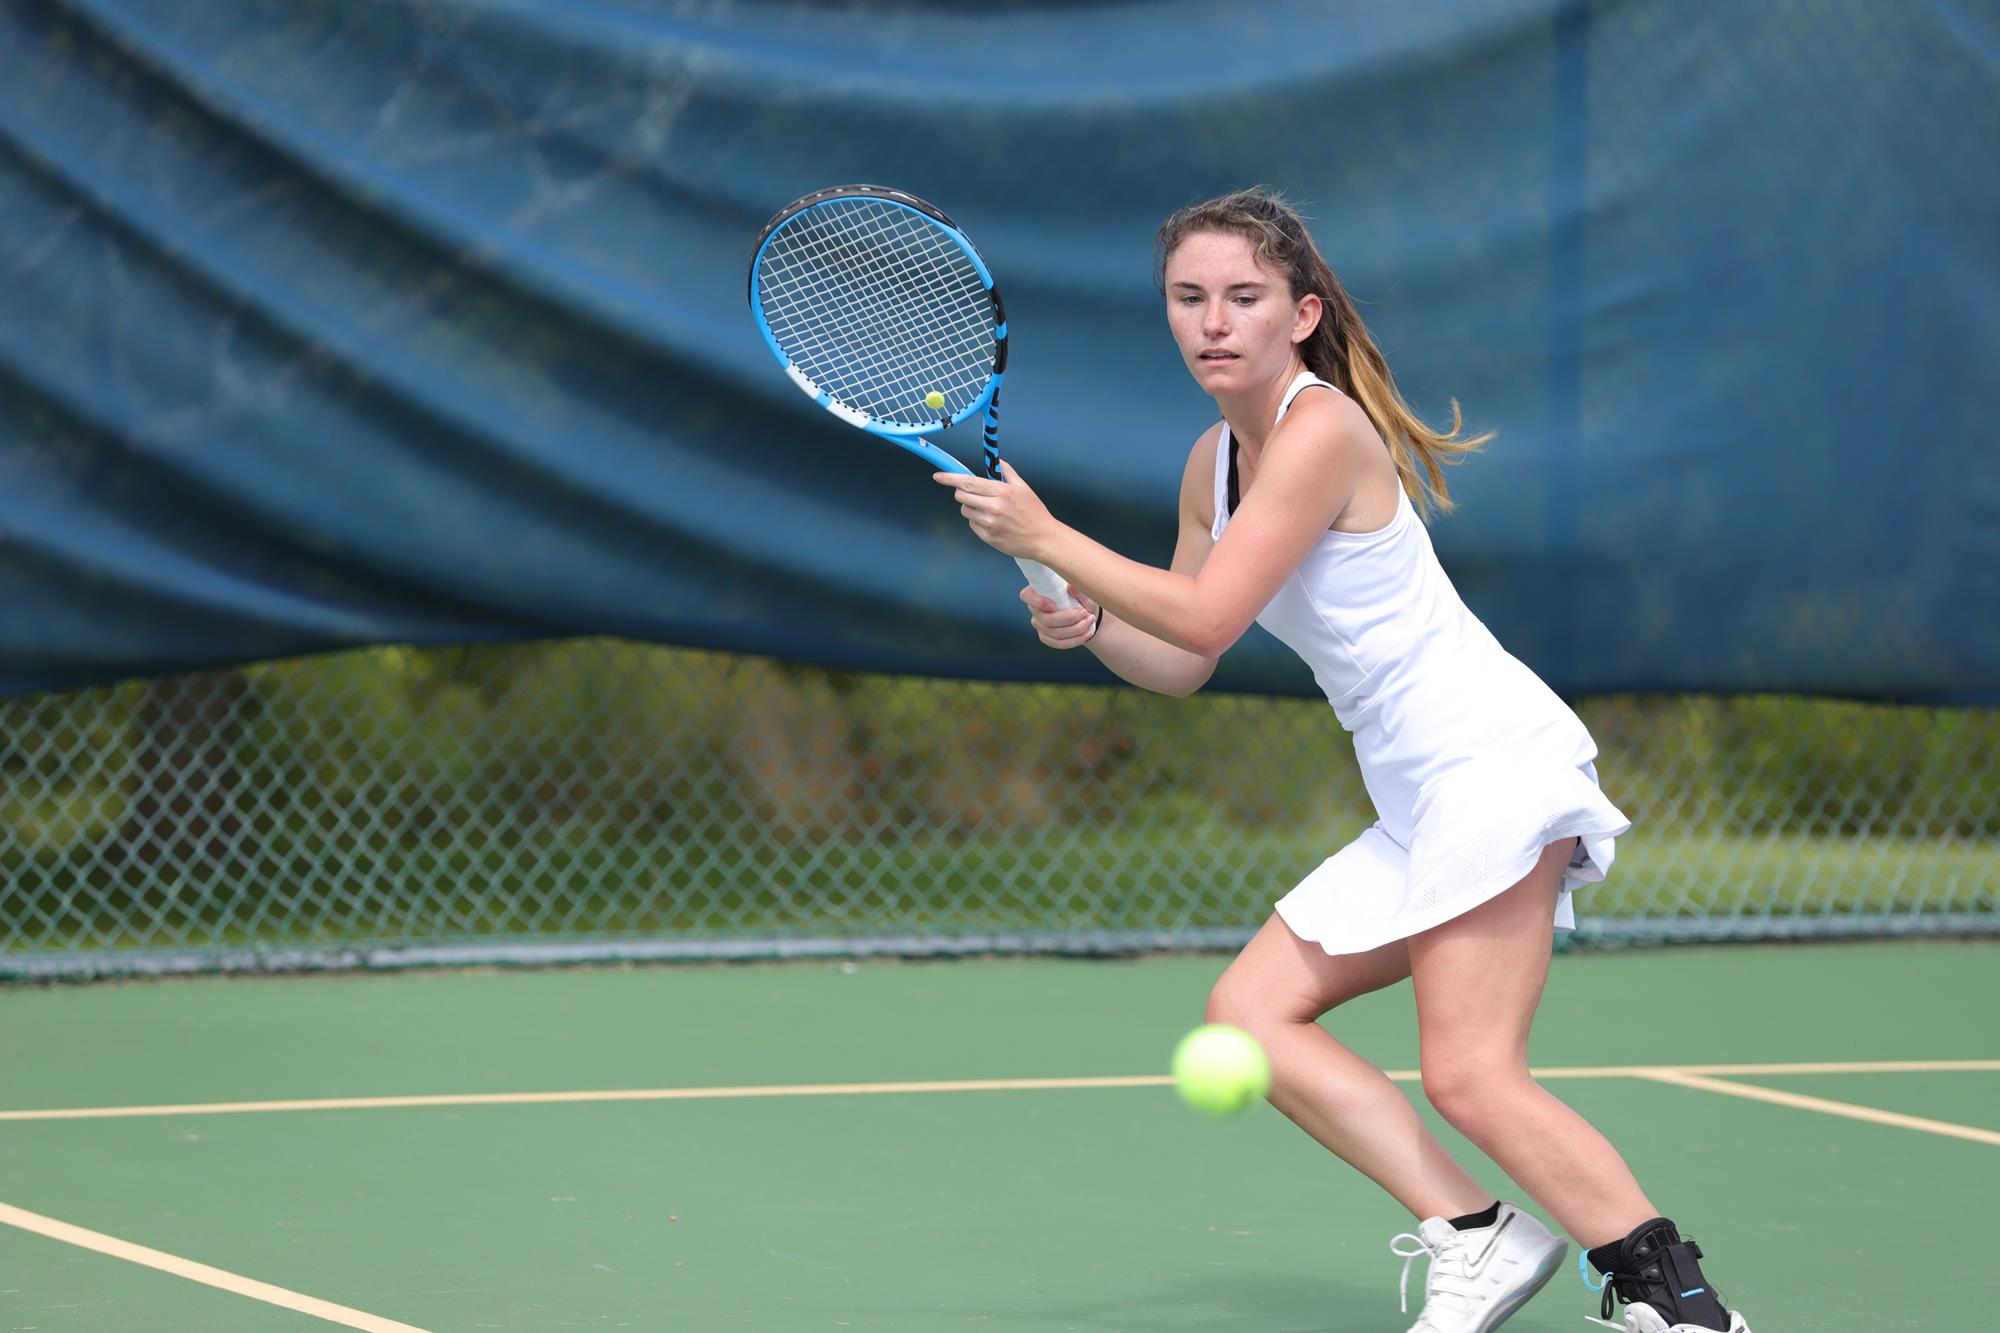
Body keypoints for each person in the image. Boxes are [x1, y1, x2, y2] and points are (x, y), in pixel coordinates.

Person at [932, 188, 1751, 1333]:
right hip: (1417, 792)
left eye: (1242, 297)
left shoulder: (1320, 432)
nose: (1212, 321)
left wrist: (1047, 537)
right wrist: (1091, 624)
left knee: (1470, 1072)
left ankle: (1679, 1302)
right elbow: (1180, 658)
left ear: (1300, 313)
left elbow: (1210, 613)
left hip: (1488, 765)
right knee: (1248, 1016)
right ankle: (1478, 1234)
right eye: (1187, 297)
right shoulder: (1211, 459)